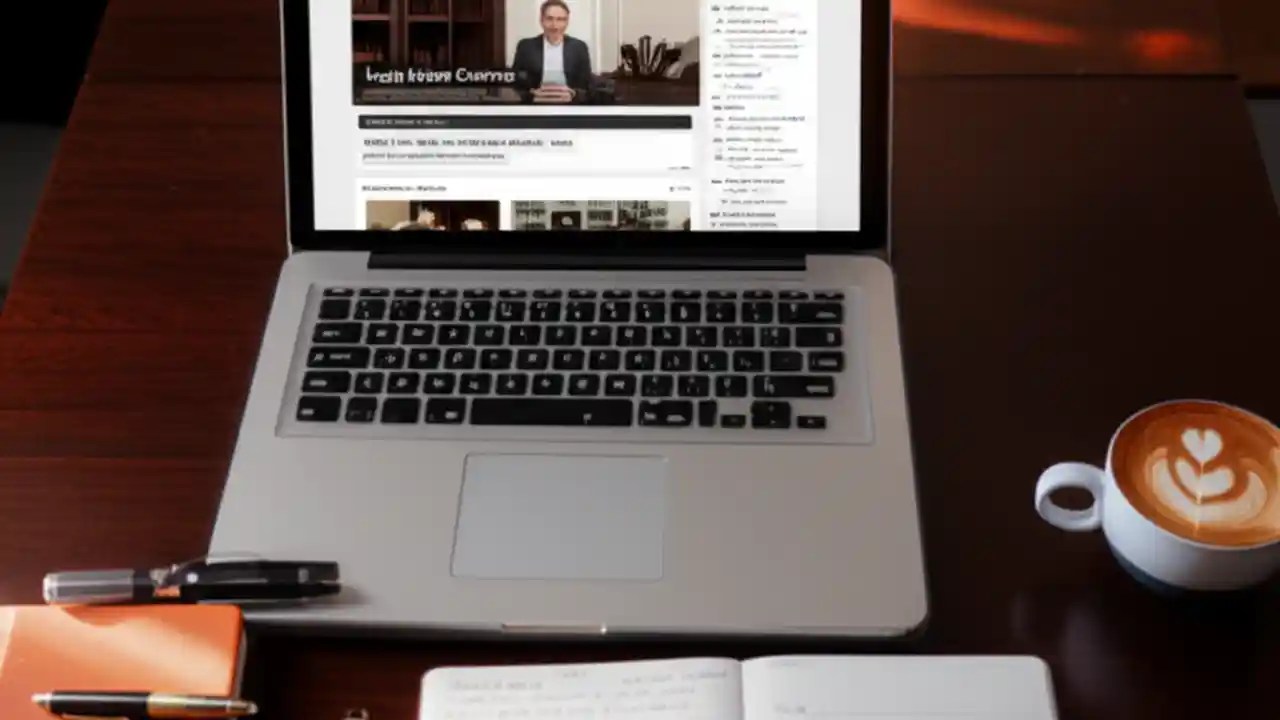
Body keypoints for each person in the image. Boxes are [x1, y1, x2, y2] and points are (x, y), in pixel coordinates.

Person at [511, 0, 592, 104]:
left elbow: (586, 85)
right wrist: (531, 94)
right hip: (535, 104)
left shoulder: (579, 47)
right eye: (549, 19)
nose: (555, 25)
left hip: (569, 104)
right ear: (541, 20)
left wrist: (573, 94)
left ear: (567, 22)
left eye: (560, 19)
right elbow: (517, 81)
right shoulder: (526, 46)